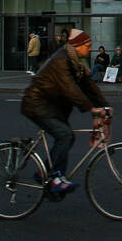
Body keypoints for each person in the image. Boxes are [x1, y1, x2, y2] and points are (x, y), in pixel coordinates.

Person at [19, 29, 110, 196]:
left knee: (67, 136)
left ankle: (48, 174)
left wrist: (105, 106)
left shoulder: (78, 61)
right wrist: (91, 108)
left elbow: (89, 86)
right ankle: (52, 177)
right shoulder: (61, 60)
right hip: (37, 104)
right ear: (78, 45)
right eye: (88, 46)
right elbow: (70, 88)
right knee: (65, 135)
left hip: (51, 106)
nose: (90, 49)